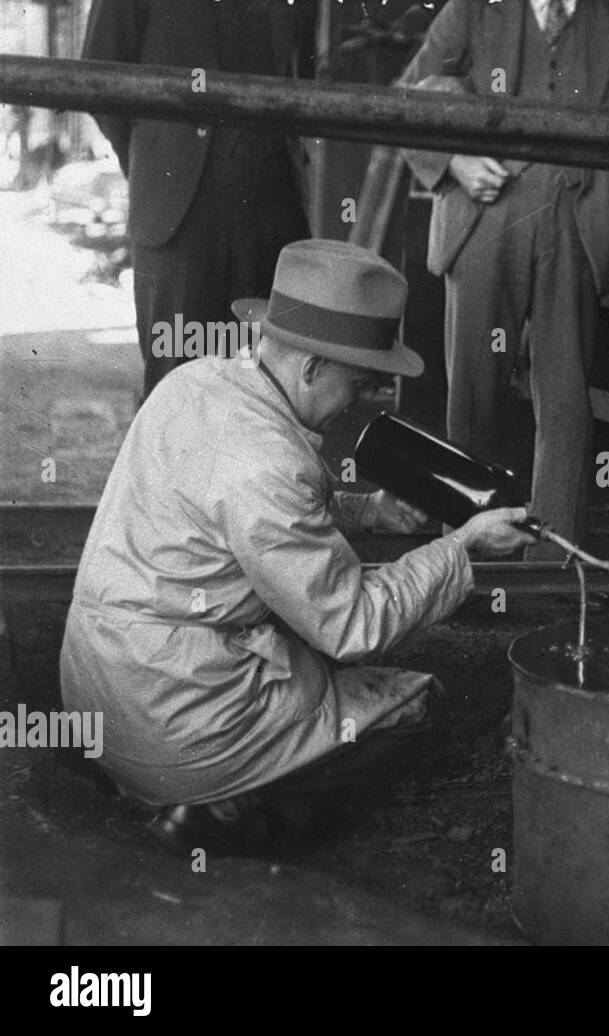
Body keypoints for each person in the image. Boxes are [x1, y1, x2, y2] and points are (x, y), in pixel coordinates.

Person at [60, 240, 536, 855]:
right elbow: (353, 625)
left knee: (309, 656)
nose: (361, 400)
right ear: (312, 369)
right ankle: (228, 813)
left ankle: (209, 788)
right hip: (172, 715)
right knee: (412, 708)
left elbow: (239, 514)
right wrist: (463, 548)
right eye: (360, 383)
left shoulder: (194, 382)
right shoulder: (268, 462)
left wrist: (373, 512)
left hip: (97, 690)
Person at [396, 0, 609, 550]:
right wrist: (453, 163)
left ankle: (555, 562)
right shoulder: (472, 9)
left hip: (577, 226)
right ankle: (465, 552)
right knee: (475, 396)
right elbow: (403, 96)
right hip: (483, 222)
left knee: (566, 402)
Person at [82, 0, 315, 398]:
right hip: (180, 212)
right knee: (177, 386)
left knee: (267, 388)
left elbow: (303, 66)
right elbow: (98, 75)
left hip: (272, 207)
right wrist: (156, 156)